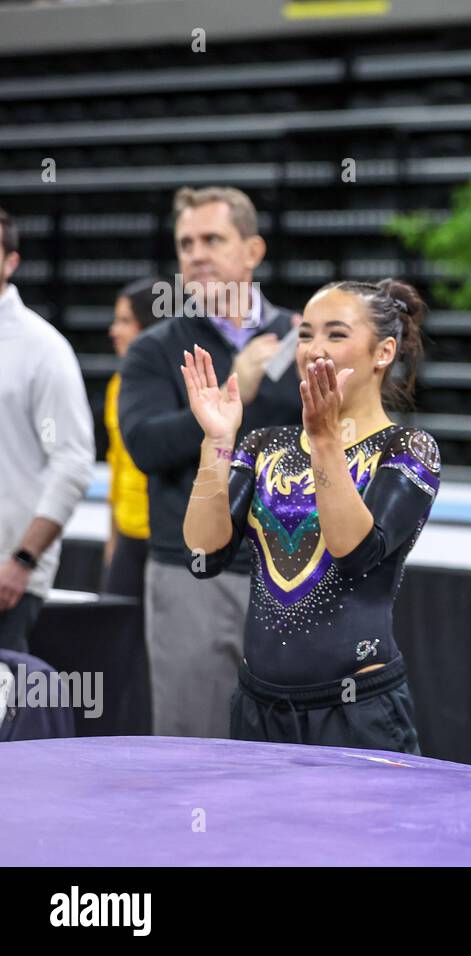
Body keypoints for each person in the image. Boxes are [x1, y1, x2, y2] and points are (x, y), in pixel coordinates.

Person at [180, 279, 439, 753]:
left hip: (355, 711)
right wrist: (216, 440)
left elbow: (355, 552)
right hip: (260, 708)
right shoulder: (264, 446)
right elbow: (203, 553)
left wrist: (324, 439)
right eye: (306, 335)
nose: (314, 349)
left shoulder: (406, 449)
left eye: (336, 334)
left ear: (383, 352)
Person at [119, 186, 302, 738]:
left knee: (290, 752)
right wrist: (235, 386)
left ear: (253, 251)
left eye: (212, 239)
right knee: (192, 748)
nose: (196, 254)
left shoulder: (305, 338)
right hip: (190, 571)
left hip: (293, 573)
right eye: (185, 243)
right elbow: (146, 446)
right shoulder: (155, 348)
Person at [0, 207, 95, 653]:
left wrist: (22, 560)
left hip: (7, 579)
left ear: (10, 261)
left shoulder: (44, 349)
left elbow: (73, 463)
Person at [103, 277, 167, 600]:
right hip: (128, 537)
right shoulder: (117, 383)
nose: (114, 330)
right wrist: (112, 539)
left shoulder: (176, 385)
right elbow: (116, 463)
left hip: (167, 542)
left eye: (125, 321)